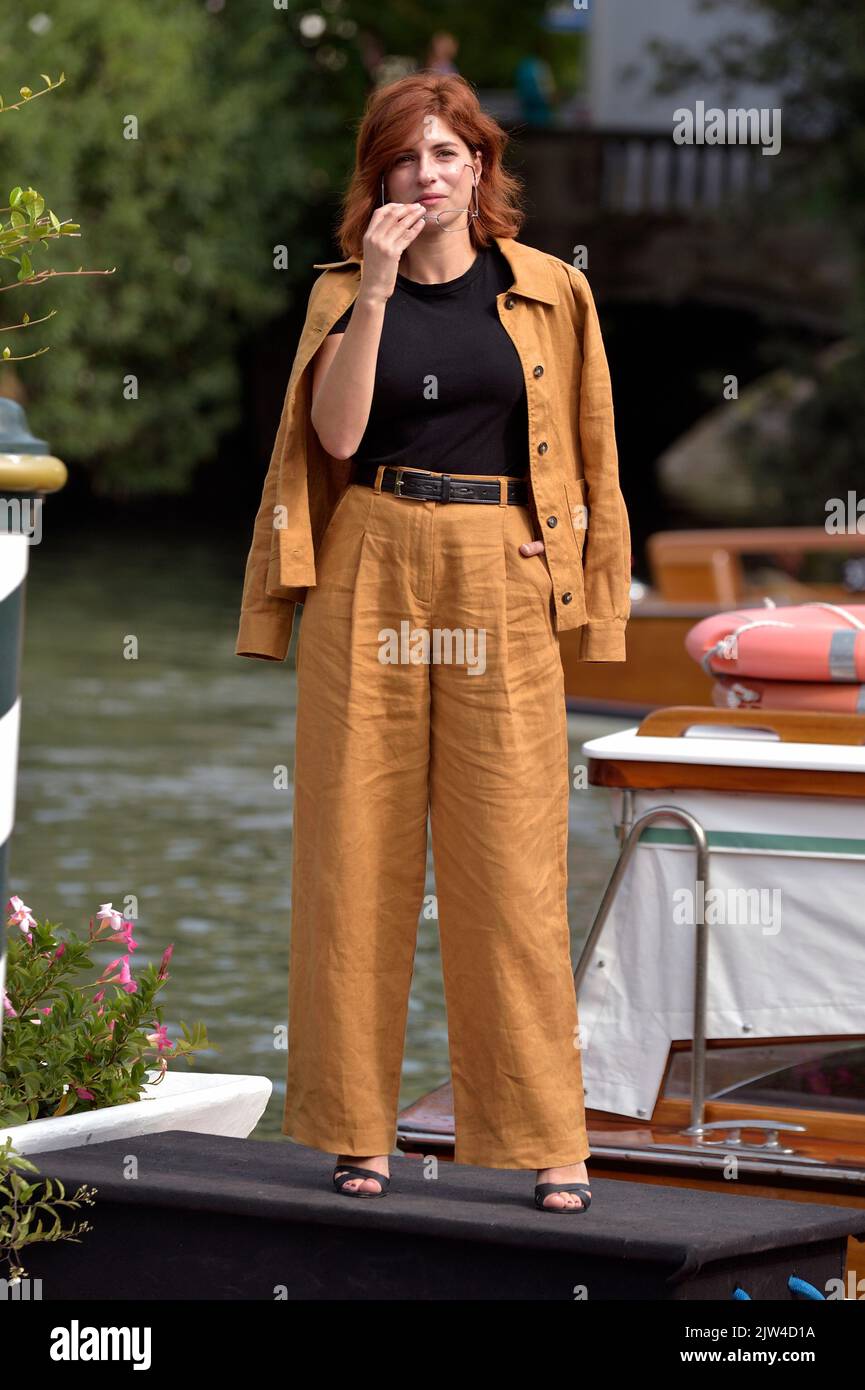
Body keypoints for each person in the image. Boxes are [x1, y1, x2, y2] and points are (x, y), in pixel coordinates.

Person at [235, 72, 631, 1212]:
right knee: (353, 853)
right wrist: (372, 288)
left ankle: (551, 1139)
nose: (431, 175)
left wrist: (586, 600)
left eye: (451, 155)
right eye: (408, 159)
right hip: (371, 555)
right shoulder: (339, 294)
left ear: (482, 170)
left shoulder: (551, 290)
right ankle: (358, 1130)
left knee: (511, 860)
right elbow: (338, 434)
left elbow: (594, 453)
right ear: (379, 178)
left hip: (499, 566)